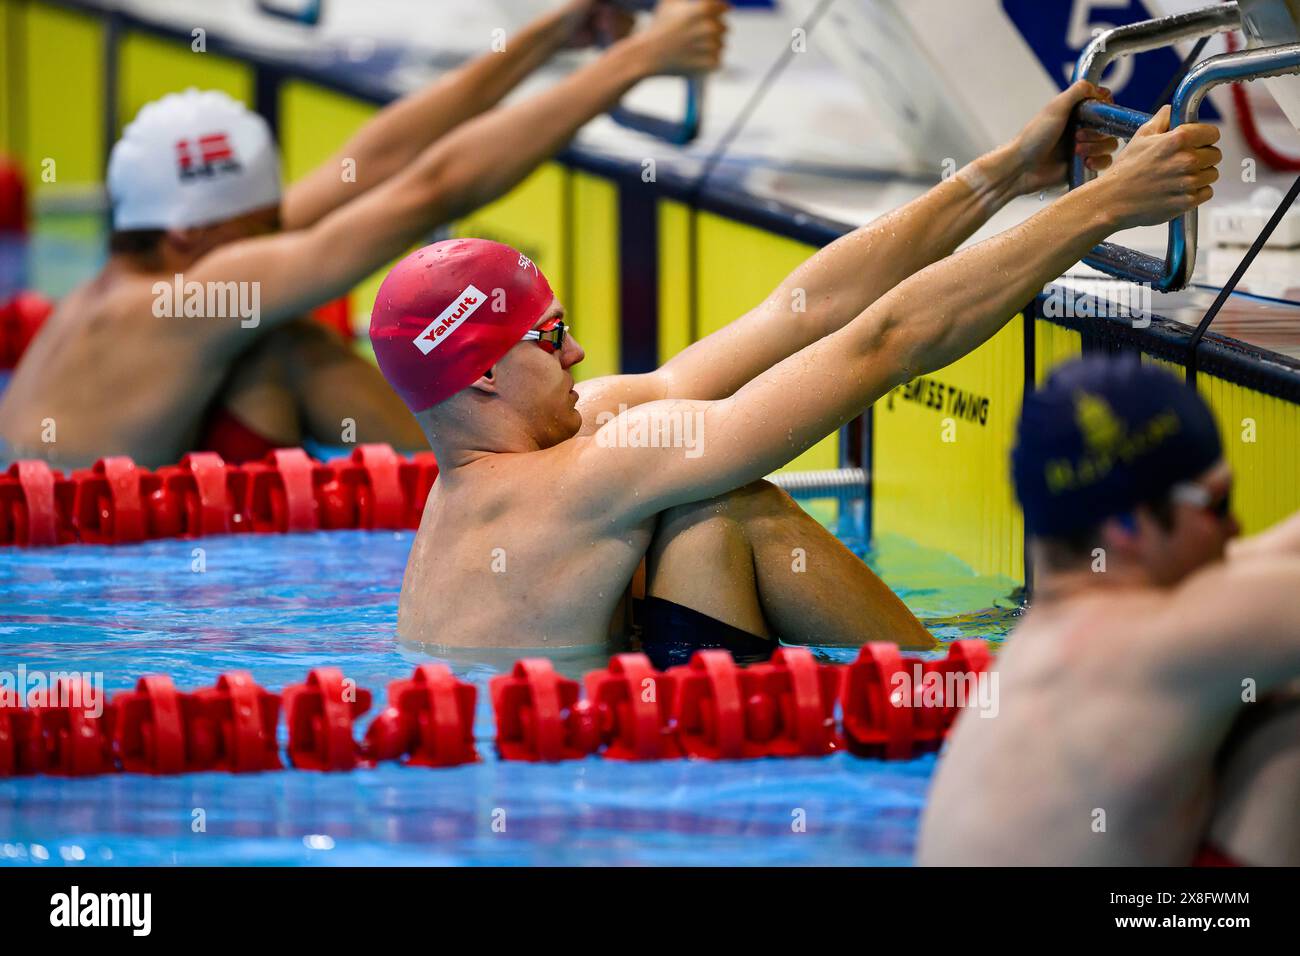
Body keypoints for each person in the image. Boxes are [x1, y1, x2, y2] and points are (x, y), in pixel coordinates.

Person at [369, 85, 1221, 665]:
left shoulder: (524, 474)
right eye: (550, 335)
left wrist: (1004, 177)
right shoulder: (580, 481)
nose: (577, 355)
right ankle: (966, 692)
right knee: (733, 506)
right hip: (632, 796)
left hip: (636, 754)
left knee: (706, 514)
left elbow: (800, 311)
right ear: (481, 374)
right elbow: (882, 345)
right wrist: (1105, 205)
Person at [0, 0, 727, 468]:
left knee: (281, 340)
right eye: (263, 228)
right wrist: (638, 61)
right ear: (191, 237)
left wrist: (555, 32)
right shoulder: (180, 305)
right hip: (78, 550)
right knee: (291, 346)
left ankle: (473, 476)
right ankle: (492, 479)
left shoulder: (155, 279)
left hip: (84, 537)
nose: (278, 237)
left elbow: (375, 163)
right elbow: (429, 193)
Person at [918, 356, 1300, 866]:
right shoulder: (1158, 645)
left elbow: (1260, 561)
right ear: (1126, 524)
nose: (1236, 529)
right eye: (1219, 504)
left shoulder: (1050, 642)